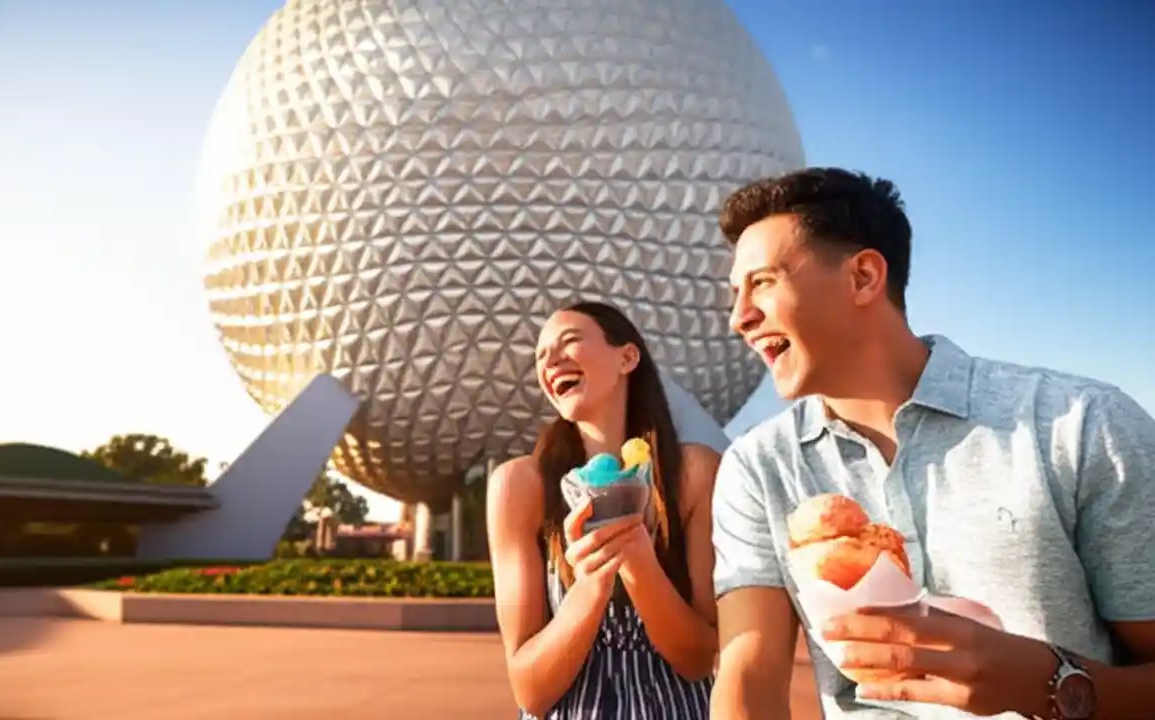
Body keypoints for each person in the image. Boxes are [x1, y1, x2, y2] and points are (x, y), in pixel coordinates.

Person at [707, 167, 1155, 719]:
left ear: (865, 276)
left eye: (763, 282)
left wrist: (1050, 683)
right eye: (735, 294)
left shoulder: (1079, 425)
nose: (739, 319)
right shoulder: (757, 468)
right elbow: (748, 676)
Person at [487, 300, 722, 719]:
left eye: (570, 341)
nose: (551, 360)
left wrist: (640, 565)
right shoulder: (520, 486)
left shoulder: (694, 474)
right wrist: (591, 583)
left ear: (627, 357)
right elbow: (530, 688)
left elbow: (698, 659)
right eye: (541, 355)